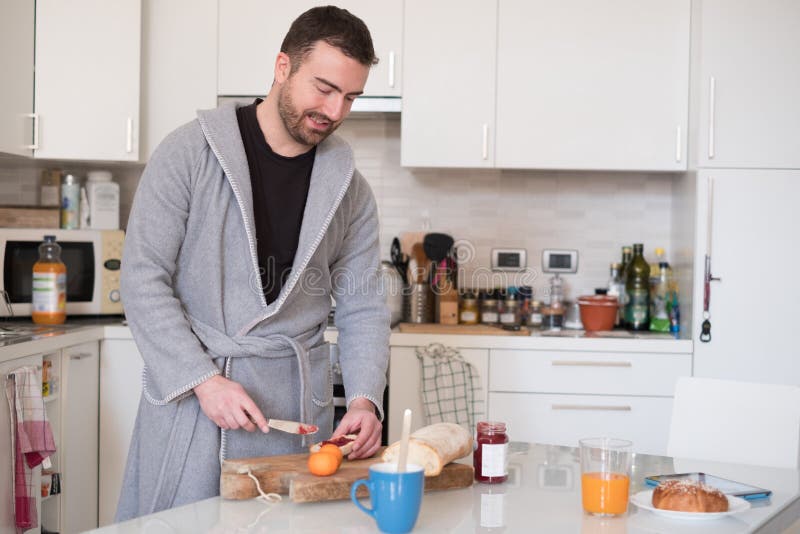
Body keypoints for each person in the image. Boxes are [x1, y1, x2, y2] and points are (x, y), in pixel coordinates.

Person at [116, 6, 390, 520]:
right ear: (282, 67)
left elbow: (363, 306)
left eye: (351, 97)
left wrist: (362, 401)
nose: (335, 110)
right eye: (324, 88)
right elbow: (143, 279)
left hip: (290, 410)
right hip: (196, 399)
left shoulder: (349, 188)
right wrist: (203, 380)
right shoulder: (188, 152)